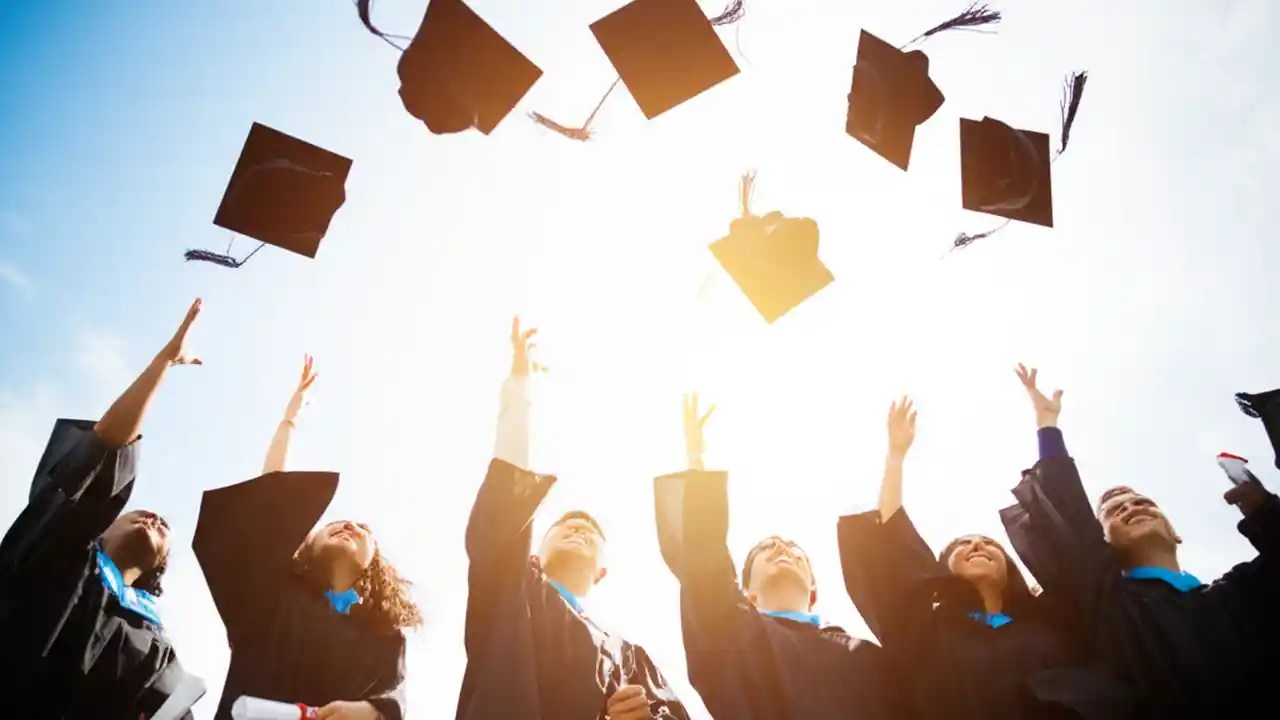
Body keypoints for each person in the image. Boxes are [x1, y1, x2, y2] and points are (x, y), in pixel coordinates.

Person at [1001, 363, 1280, 718]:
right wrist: (1048, 427)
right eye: (1114, 510)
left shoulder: (1240, 594)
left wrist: (1266, 513)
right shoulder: (1107, 606)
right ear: (1102, 542)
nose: (1131, 507)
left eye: (1142, 502)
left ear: (1175, 532)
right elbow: (1066, 513)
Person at [456, 317, 690, 720]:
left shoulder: (629, 656)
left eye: (591, 532)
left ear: (601, 572)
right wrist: (519, 393)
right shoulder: (511, 592)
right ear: (533, 555)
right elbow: (504, 511)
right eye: (564, 526)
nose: (579, 528)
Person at [839, 396, 1129, 719]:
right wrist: (895, 458)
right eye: (964, 544)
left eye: (989, 544)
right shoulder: (925, 631)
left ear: (1010, 566)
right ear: (942, 570)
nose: (978, 546)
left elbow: (1071, 531)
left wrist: (1047, 428)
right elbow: (892, 546)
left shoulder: (1055, 622)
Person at [0, 298, 205, 719]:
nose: (155, 519)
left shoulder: (156, 647)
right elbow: (105, 444)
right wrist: (163, 362)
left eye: (164, 527)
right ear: (103, 525)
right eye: (139, 511)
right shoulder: (58, 549)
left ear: (159, 566)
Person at [193, 355, 421, 720]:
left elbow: (393, 698)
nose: (350, 526)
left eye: (363, 529)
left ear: (374, 565)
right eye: (339, 522)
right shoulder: (274, 595)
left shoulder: (384, 635)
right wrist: (289, 422)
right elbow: (270, 502)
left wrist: (369, 713)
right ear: (305, 543)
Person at [652, 393, 889, 719]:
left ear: (814, 592)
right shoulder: (733, 637)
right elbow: (705, 566)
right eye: (766, 549)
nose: (781, 549)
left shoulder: (866, 656)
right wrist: (696, 462)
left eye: (795, 550)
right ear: (747, 596)